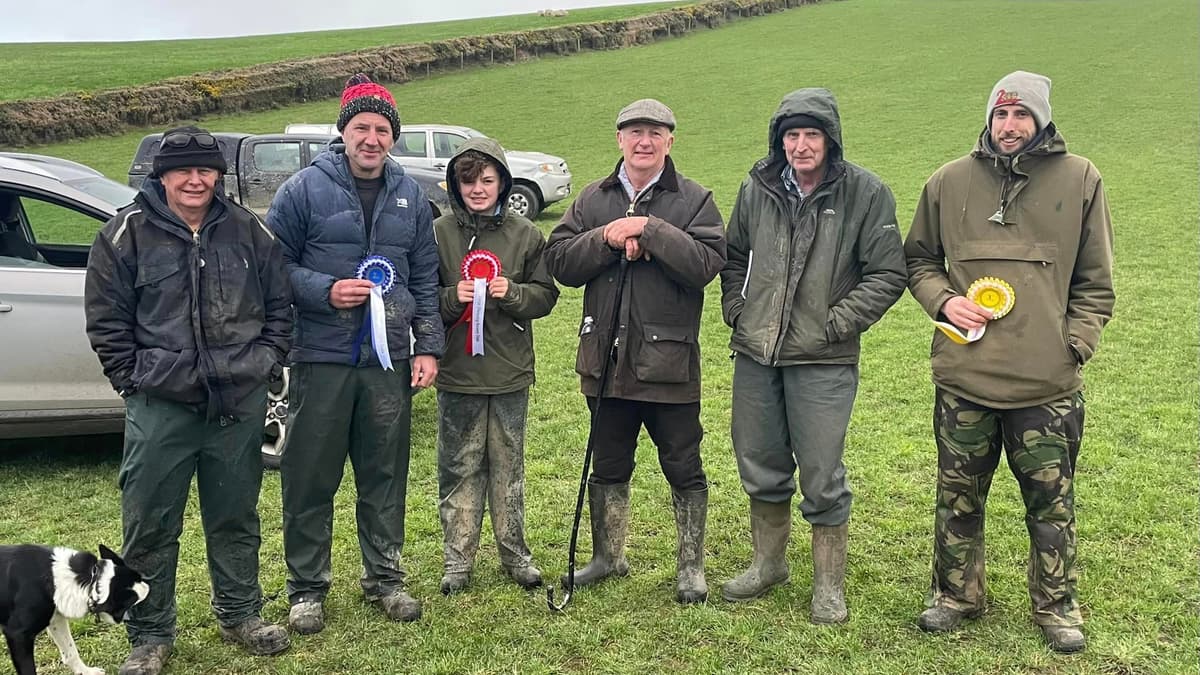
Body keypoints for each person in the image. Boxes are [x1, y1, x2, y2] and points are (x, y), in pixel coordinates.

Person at [904, 71, 1114, 653]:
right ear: (989, 119)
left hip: (1045, 385)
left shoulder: (1081, 180)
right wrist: (945, 301)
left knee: (1052, 501)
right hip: (964, 380)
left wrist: (1075, 344)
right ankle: (956, 596)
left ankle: (1056, 606)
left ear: (1041, 120)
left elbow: (1096, 283)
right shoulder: (947, 182)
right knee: (957, 496)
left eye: (1022, 116)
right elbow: (918, 260)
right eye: (1001, 115)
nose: (1010, 126)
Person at [84, 125, 293, 675]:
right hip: (161, 406)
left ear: (219, 175)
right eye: (183, 171)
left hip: (236, 404)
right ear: (162, 176)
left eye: (206, 169)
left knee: (235, 516)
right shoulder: (123, 235)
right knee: (151, 522)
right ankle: (150, 635)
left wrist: (266, 361)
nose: (196, 179)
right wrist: (133, 380)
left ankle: (240, 613)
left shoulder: (249, 231)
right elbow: (107, 323)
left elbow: (280, 305)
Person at [718, 88, 906, 623]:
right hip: (756, 353)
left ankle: (829, 586)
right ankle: (768, 565)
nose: (801, 145)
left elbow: (888, 273)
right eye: (791, 135)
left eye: (811, 135)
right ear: (780, 140)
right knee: (759, 462)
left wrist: (835, 324)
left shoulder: (865, 193)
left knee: (821, 473)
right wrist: (737, 308)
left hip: (823, 360)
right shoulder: (756, 188)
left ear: (831, 139)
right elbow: (734, 256)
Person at [267, 74, 444, 633]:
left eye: (383, 129)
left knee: (384, 473)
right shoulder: (301, 190)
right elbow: (274, 271)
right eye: (362, 127)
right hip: (321, 356)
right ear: (343, 130)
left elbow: (423, 274)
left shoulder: (411, 194)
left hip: (388, 360)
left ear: (394, 137)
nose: (372, 138)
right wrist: (326, 290)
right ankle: (306, 589)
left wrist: (428, 347)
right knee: (309, 475)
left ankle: (385, 578)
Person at [545, 98, 726, 604]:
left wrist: (651, 229)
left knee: (684, 466)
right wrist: (607, 235)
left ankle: (691, 568)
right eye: (633, 132)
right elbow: (559, 260)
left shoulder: (694, 200)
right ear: (619, 140)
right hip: (604, 362)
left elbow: (706, 264)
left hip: (669, 365)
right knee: (609, 465)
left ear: (671, 140)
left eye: (654, 132)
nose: (643, 141)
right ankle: (608, 557)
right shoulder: (592, 199)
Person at [432, 137, 559, 595]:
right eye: (469, 181)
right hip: (458, 370)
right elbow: (423, 297)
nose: (479, 189)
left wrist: (513, 293)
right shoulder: (439, 232)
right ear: (456, 185)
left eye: (488, 180)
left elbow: (546, 296)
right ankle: (458, 560)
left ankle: (515, 554)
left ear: (503, 182)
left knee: (509, 465)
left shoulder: (526, 234)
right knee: (459, 465)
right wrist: (452, 298)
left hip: (509, 369)